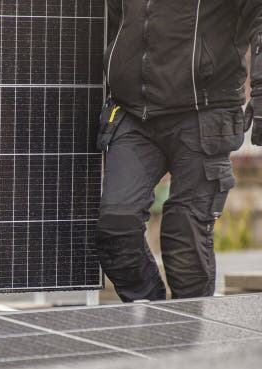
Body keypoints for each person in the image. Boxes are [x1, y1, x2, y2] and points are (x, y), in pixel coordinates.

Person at [96, 0, 262, 302]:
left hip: (205, 113)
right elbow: (112, 22)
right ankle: (154, 318)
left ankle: (185, 335)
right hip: (134, 114)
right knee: (116, 227)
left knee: (185, 234)